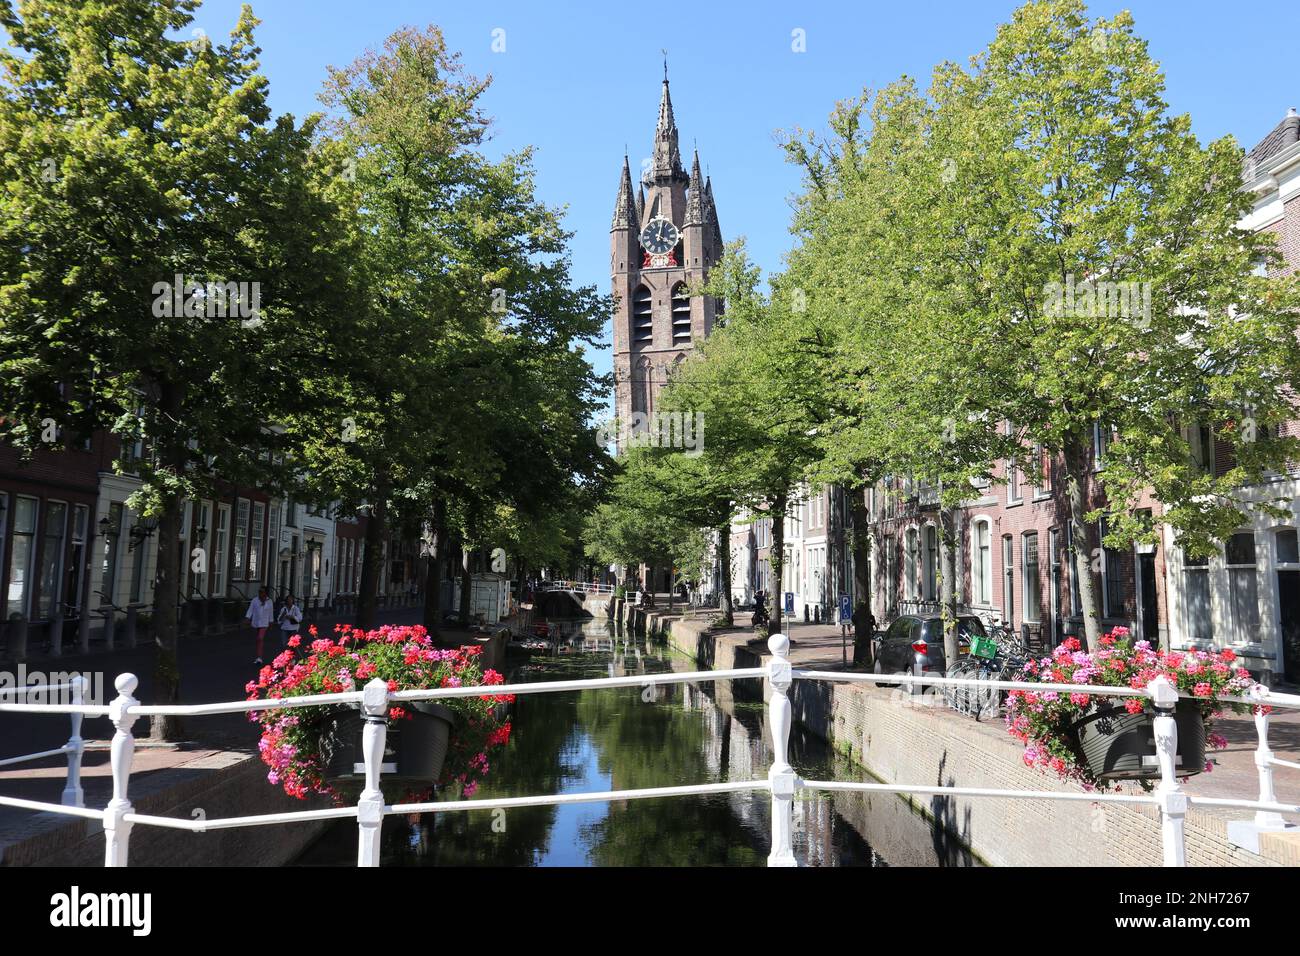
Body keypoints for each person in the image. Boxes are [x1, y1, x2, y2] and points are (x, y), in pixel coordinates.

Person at [246, 587, 274, 665]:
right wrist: (248, 618)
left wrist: (271, 621)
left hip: (264, 623)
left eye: (262, 592)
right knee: (258, 640)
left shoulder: (269, 601)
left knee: (260, 638)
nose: (260, 593)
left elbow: (270, 612)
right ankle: (258, 656)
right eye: (259, 592)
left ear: (265, 593)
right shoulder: (255, 600)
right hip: (256, 622)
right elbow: (250, 609)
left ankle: (260, 657)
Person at [851, 601, 877, 667]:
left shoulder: (857, 614)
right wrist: (872, 624)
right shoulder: (867, 613)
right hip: (866, 633)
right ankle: (866, 660)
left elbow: (853, 620)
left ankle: (860, 661)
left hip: (860, 633)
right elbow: (873, 621)